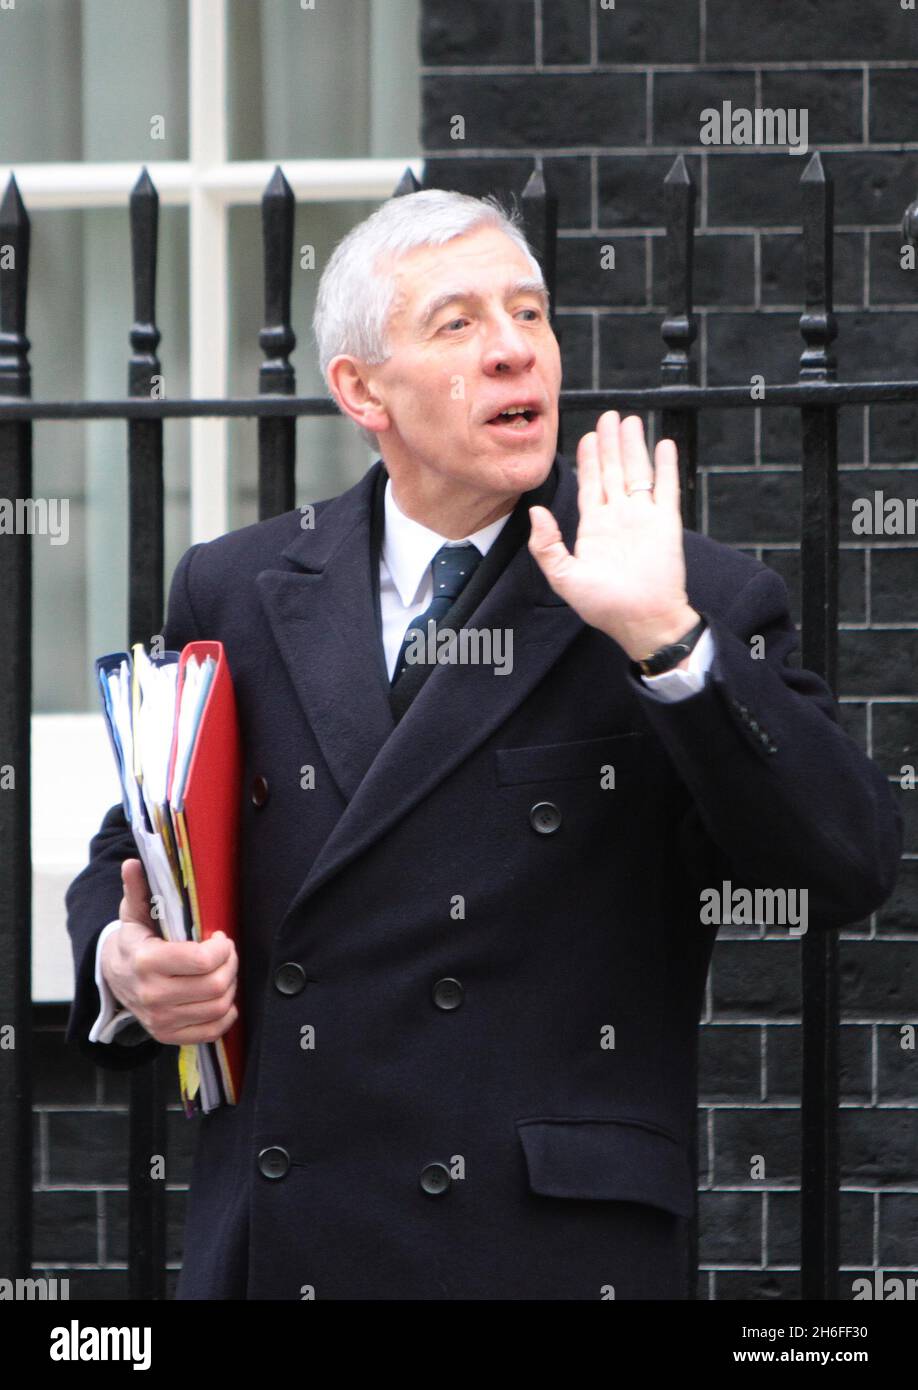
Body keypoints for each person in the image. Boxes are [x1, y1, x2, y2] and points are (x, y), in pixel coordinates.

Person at [65, 188, 902, 1300]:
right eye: (457, 325)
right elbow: (137, 845)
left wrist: (669, 645)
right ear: (363, 389)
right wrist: (127, 968)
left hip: (538, 1255)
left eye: (530, 314)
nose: (514, 352)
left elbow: (847, 860)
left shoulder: (681, 592)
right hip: (282, 1246)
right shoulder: (236, 587)